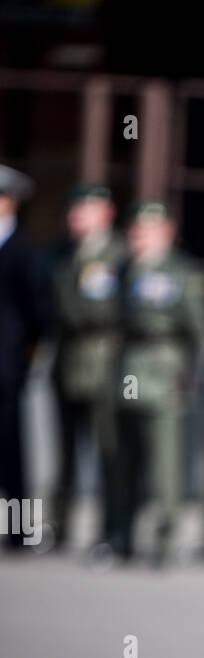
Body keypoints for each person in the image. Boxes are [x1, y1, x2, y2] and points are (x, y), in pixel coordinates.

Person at [113, 201, 204, 564]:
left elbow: (200, 331)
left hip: (165, 372)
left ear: (166, 233)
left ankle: (165, 540)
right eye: (136, 231)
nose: (140, 237)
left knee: (164, 466)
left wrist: (188, 376)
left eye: (149, 231)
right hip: (127, 371)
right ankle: (120, 536)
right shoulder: (124, 269)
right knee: (122, 461)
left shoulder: (180, 272)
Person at [50, 184, 126, 553]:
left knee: (108, 454)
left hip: (104, 364)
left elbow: (115, 308)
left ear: (106, 214)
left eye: (86, 211)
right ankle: (58, 528)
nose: (76, 218)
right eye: (73, 211)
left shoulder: (119, 254)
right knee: (64, 454)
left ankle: (110, 532)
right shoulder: (65, 254)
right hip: (67, 362)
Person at [0, 164, 52, 552]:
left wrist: (24, 357)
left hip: (7, 368)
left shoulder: (26, 249)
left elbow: (39, 313)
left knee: (12, 451)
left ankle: (20, 531)